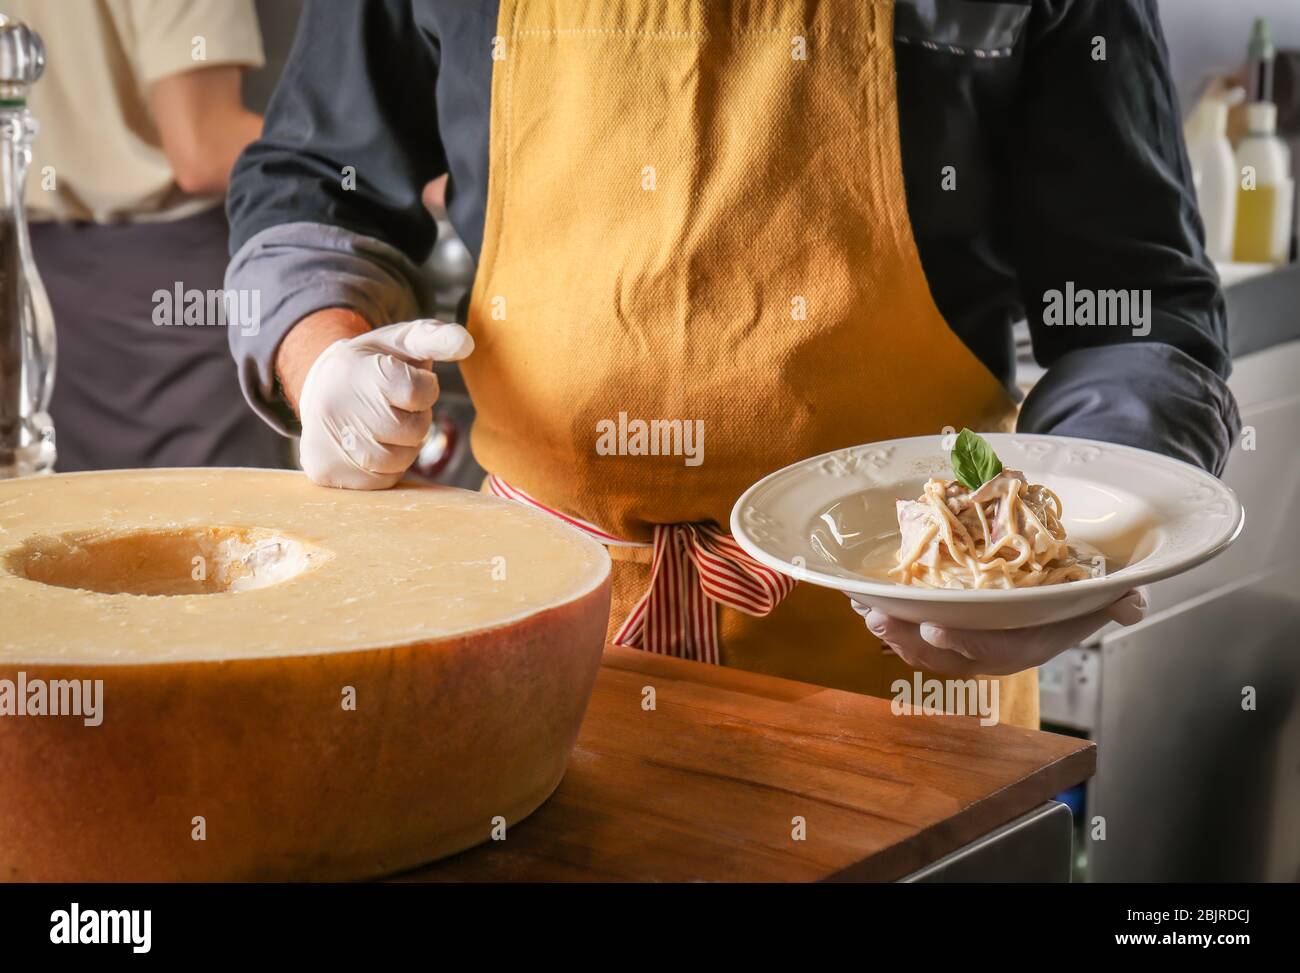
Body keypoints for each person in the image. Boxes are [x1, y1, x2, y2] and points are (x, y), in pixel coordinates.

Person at [224, 0, 1241, 729]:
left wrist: (1052, 561)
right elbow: (317, 181)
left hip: (911, 654)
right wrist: (321, 363)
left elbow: (1137, 310)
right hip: (539, 648)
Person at [15, 0, 284, 471]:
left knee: (84, 526)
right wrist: (375, 158)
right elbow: (203, 148)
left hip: (41, 284)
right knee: (219, 525)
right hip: (172, 289)